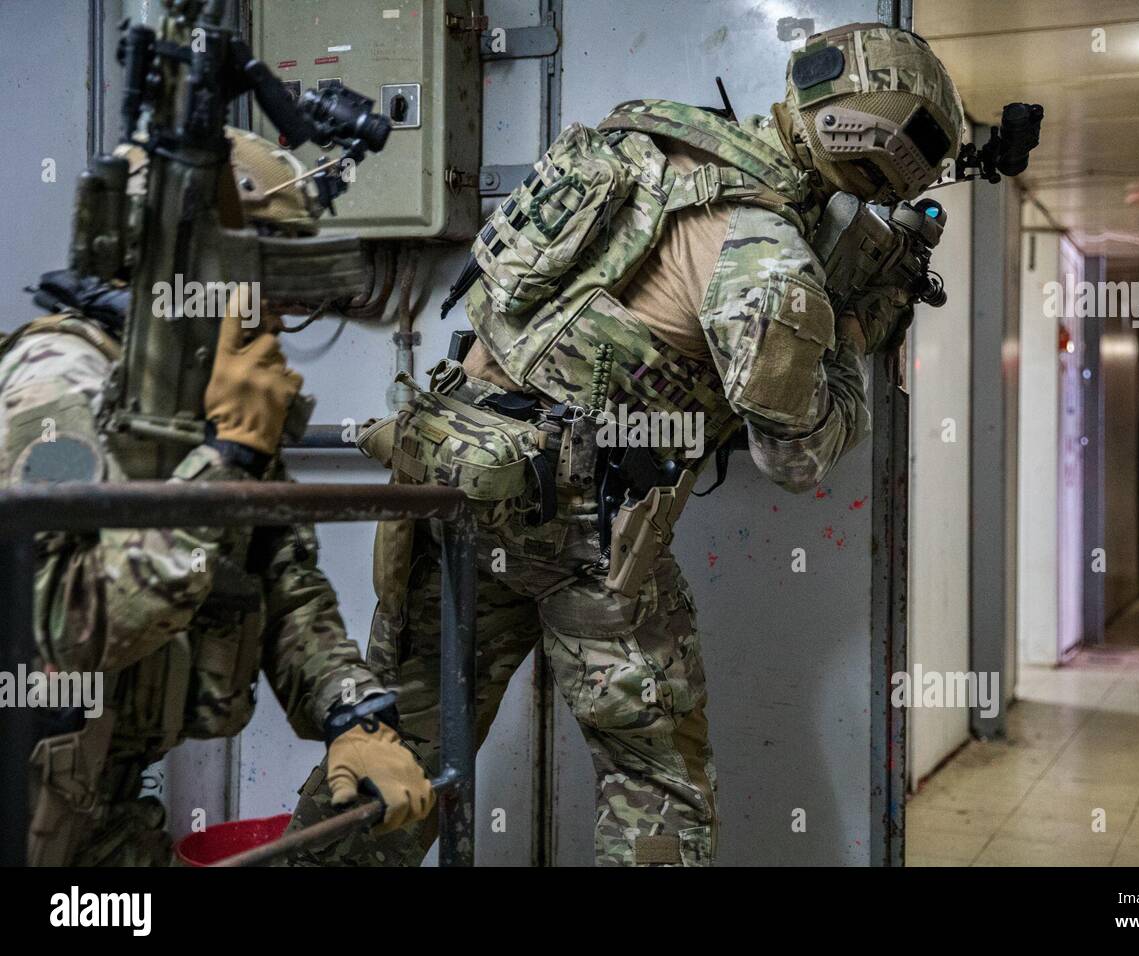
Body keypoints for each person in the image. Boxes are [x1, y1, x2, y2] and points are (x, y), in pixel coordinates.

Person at [286, 21, 963, 866]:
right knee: (660, 791)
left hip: (456, 475)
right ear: (879, 158)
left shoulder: (645, 134)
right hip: (582, 530)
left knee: (398, 750)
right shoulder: (767, 257)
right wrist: (855, 335)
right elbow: (795, 456)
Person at [1, 129, 433, 866]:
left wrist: (353, 714)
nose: (273, 313)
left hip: (103, 808)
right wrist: (224, 459)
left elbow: (278, 579)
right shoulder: (53, 383)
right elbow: (62, 626)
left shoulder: (202, 399)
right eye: (257, 273)